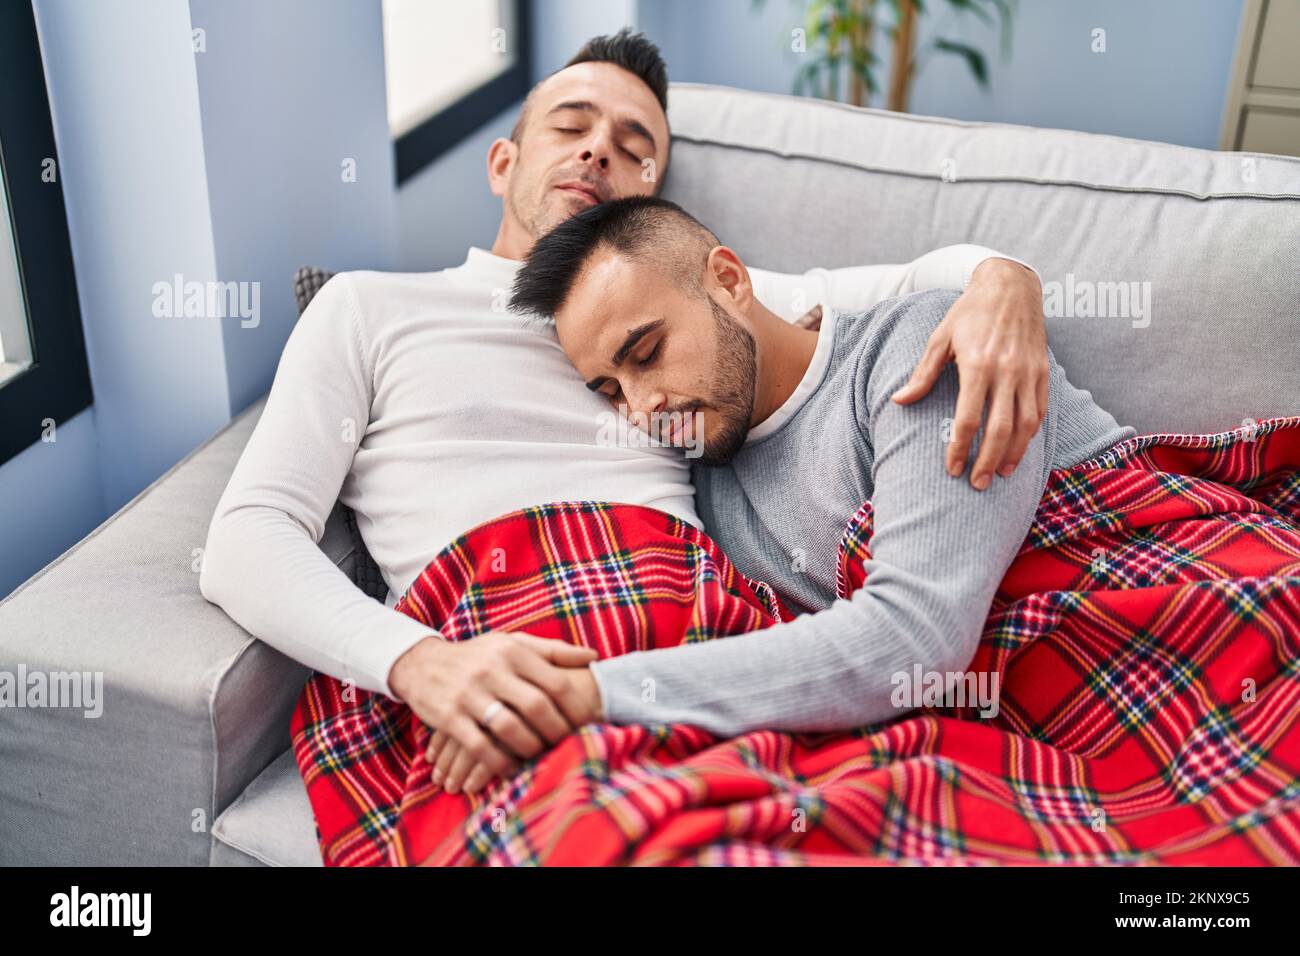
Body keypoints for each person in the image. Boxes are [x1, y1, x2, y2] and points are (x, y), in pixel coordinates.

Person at [200, 30, 1053, 796]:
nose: (599, 150)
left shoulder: (695, 298)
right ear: (505, 162)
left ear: (651, 197)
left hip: (699, 629)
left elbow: (913, 289)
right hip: (506, 628)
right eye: (572, 127)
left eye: (633, 148)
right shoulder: (369, 309)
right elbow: (250, 532)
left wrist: (1007, 280)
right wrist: (416, 663)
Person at [509, 194, 1136, 738]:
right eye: (612, 391)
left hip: (1148, 622)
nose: (643, 408)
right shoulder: (703, 485)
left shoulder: (918, 344)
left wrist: (597, 695)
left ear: (729, 282)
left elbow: (918, 639)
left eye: (647, 353)